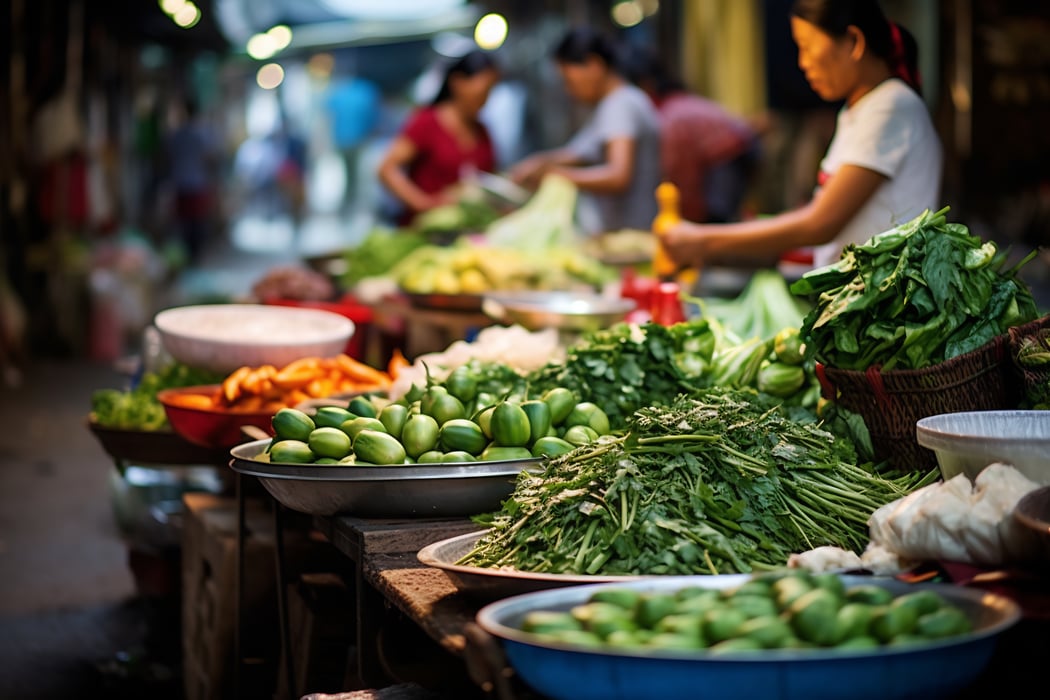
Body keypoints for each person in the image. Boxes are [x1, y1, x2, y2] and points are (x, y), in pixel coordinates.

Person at [662, 0, 942, 273]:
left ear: (854, 41)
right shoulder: (859, 109)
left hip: (886, 309)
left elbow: (820, 223)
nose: (803, 63)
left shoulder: (890, 106)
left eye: (808, 48)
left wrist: (702, 241)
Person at [508, 27, 662, 234]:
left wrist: (555, 176)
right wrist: (537, 164)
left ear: (594, 65)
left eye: (569, 81)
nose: (569, 90)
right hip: (620, 235)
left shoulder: (620, 106)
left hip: (630, 238)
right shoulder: (610, 106)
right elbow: (576, 154)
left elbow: (618, 176)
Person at [627, 46, 764, 225]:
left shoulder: (670, 115)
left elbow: (683, 168)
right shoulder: (673, 105)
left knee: (717, 218)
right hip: (738, 148)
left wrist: (689, 214)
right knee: (720, 215)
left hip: (731, 153)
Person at [377, 50, 501, 226]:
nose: (486, 99)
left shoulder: (483, 131)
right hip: (425, 229)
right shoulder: (427, 122)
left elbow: (488, 181)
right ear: (457, 82)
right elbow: (387, 169)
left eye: (491, 91)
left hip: (467, 231)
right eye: (483, 91)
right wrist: (423, 203)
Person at [164, 96, 222, 264]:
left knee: (184, 224)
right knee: (197, 223)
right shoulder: (202, 134)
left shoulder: (175, 135)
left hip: (180, 184)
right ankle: (196, 257)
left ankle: (188, 257)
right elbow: (210, 158)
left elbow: (167, 158)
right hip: (197, 184)